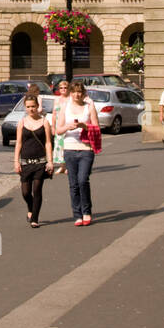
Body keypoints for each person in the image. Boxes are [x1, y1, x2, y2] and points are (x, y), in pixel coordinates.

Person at [56, 81, 100, 226]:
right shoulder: (65, 107)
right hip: (69, 149)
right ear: (70, 93)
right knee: (73, 184)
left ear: (83, 93)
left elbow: (97, 128)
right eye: (74, 91)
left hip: (86, 149)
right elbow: (58, 130)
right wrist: (68, 126)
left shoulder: (89, 107)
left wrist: (84, 126)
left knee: (83, 180)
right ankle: (77, 214)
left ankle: (87, 211)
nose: (77, 94)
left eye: (79, 91)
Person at [14, 94, 53, 227]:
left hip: (40, 161)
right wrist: (16, 161)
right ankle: (31, 208)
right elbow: (18, 143)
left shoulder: (44, 122)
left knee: (37, 189)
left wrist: (50, 161)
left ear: (38, 107)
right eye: (28, 107)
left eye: (33, 106)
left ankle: (35, 218)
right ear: (25, 107)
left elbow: (48, 143)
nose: (31, 109)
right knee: (25, 192)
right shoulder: (22, 122)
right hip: (25, 161)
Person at [50, 79, 70, 176]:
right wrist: (53, 127)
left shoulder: (70, 99)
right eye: (61, 88)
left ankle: (68, 166)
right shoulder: (56, 99)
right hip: (58, 126)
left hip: (67, 126)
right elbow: (54, 114)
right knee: (59, 146)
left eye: (65, 88)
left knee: (67, 147)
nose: (63, 89)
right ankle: (62, 166)